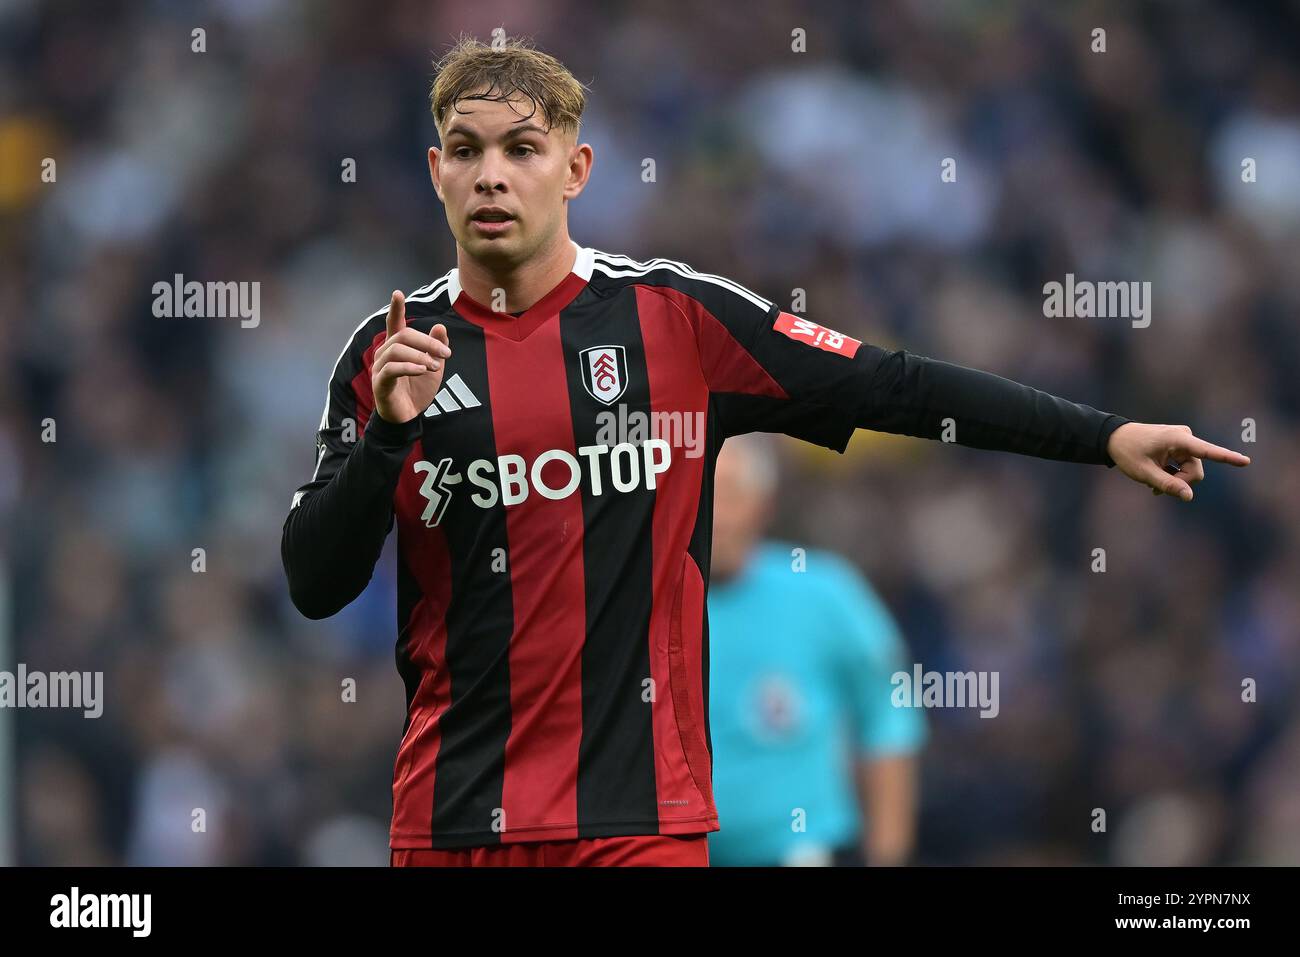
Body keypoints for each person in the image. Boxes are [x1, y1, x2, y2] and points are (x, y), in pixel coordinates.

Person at [280, 36, 1250, 867]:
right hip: (451, 823)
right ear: (436, 169)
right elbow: (316, 582)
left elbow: (892, 388)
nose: (491, 173)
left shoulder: (677, 322)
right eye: (467, 149)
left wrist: (1103, 435)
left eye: (521, 148)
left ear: (575, 169)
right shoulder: (386, 354)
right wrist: (388, 438)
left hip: (637, 824)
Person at [708, 434, 925, 867]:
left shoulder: (825, 592)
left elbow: (888, 718)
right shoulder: (648, 605)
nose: (714, 515)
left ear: (762, 504)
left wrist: (888, 855)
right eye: (700, 496)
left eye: (730, 495)